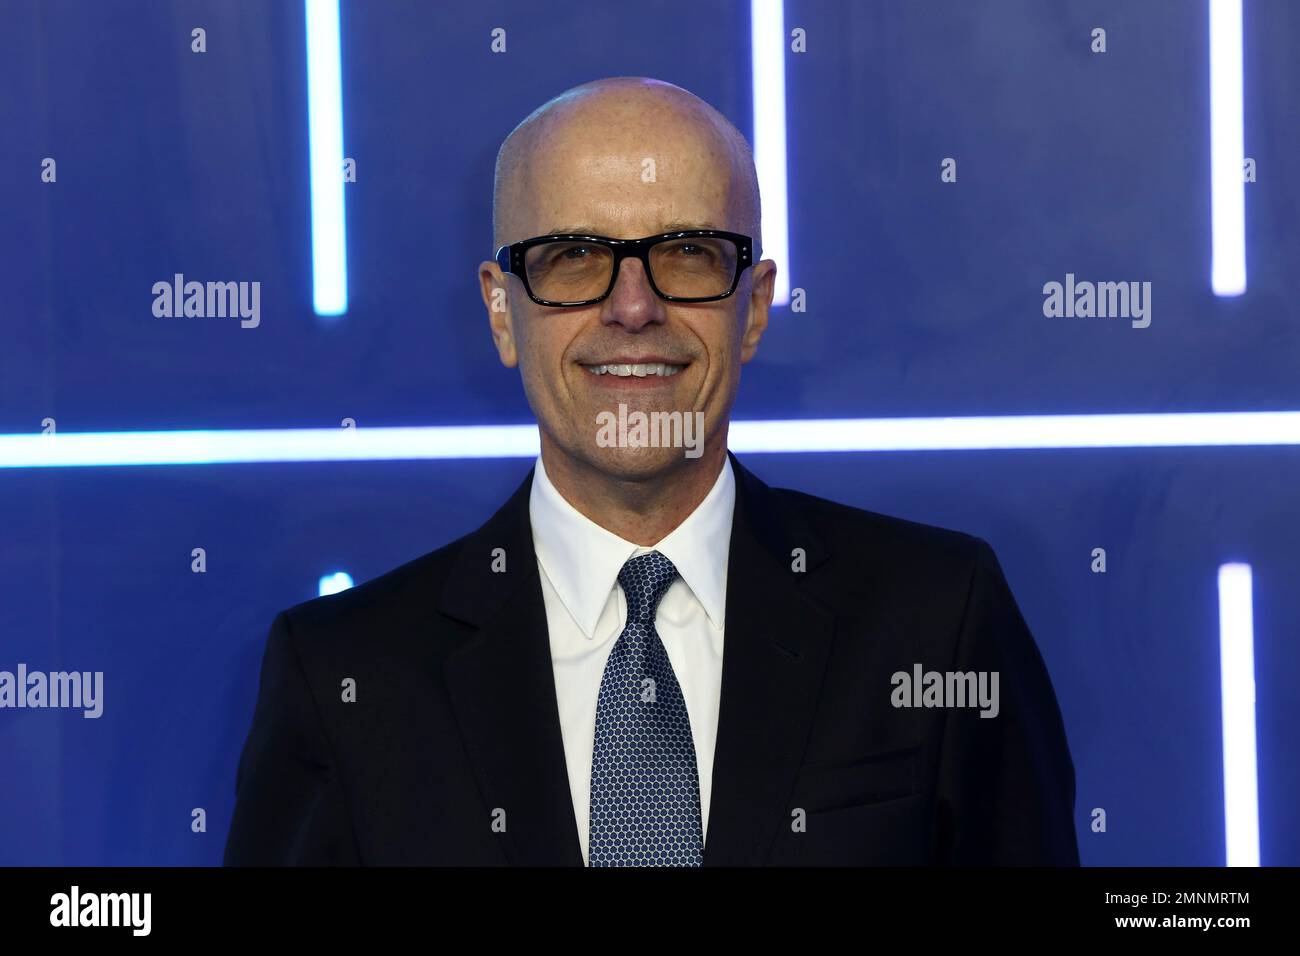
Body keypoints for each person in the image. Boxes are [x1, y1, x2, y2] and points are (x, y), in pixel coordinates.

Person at [224, 76, 1079, 866]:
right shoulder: (344, 676)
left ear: (754, 308)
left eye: (689, 254)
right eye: (572, 257)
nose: (634, 306)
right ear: (501, 311)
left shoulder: (939, 616)